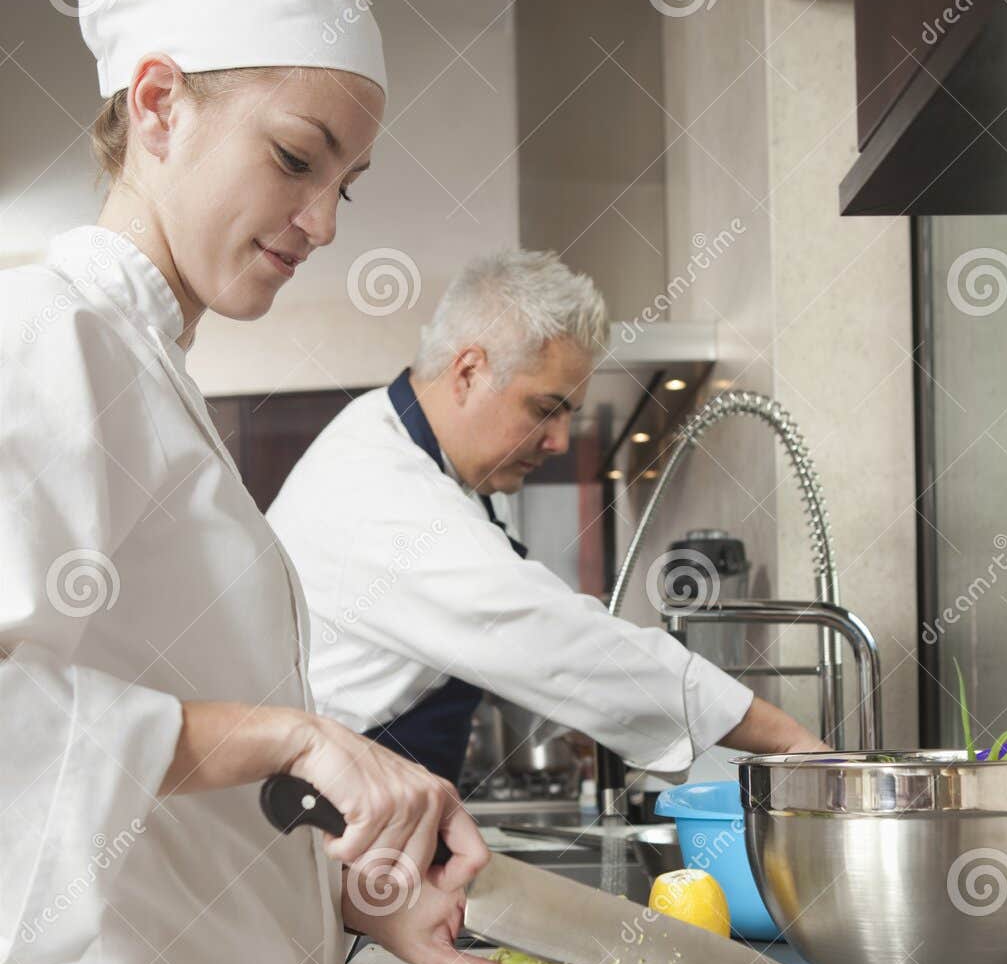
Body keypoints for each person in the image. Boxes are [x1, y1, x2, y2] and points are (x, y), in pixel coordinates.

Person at [0, 0, 508, 964]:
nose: (321, 219)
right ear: (155, 105)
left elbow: (151, 784)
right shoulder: (49, 336)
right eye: (295, 158)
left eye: (346, 181)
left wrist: (358, 893)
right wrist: (289, 739)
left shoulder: (151, 378)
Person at [268, 250, 826, 790]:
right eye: (544, 409)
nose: (559, 441)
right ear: (468, 373)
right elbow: (558, 638)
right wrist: (790, 740)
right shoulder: (384, 492)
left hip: (376, 810)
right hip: (322, 822)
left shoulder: (446, 474)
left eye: (569, 415)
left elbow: (529, 644)